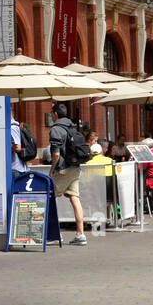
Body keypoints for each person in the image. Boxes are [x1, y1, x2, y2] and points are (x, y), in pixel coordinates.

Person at [48, 101, 89, 244]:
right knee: (75, 198)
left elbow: (56, 154)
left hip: (63, 169)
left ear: (55, 114)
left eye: (52, 113)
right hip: (75, 167)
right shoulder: (73, 126)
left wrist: (52, 170)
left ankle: (53, 234)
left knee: (48, 198)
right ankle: (80, 234)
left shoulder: (56, 129)